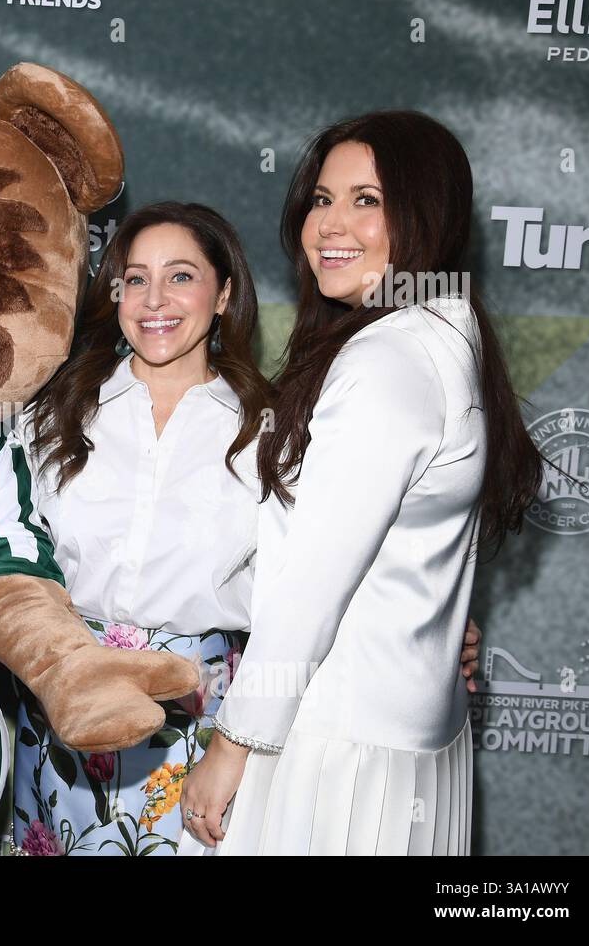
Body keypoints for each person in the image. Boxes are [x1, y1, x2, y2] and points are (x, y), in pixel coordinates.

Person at [8, 201, 481, 856]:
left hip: (201, 723)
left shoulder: (276, 430)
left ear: (224, 292)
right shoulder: (51, 414)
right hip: (63, 711)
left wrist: (435, 624)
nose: (154, 299)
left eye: (180, 276)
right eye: (135, 278)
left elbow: (326, 566)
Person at [183, 111, 542, 856]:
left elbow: (312, 584)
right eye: (320, 199)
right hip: (405, 740)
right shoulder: (448, 336)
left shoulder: (387, 361)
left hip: (333, 746)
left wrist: (234, 743)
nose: (329, 225)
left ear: (427, 214)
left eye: (366, 200)